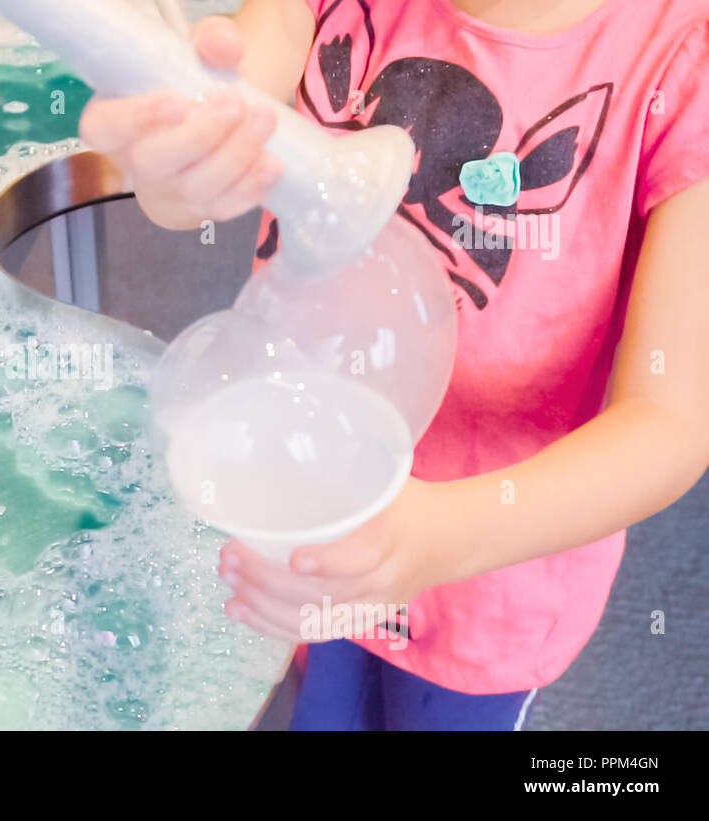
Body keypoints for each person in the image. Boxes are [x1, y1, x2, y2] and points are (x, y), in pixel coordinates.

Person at [79, 0, 709, 730]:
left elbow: (671, 419)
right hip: (312, 515)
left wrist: (431, 538)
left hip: (489, 583)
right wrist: (185, 158)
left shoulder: (679, 62)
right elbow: (236, 93)